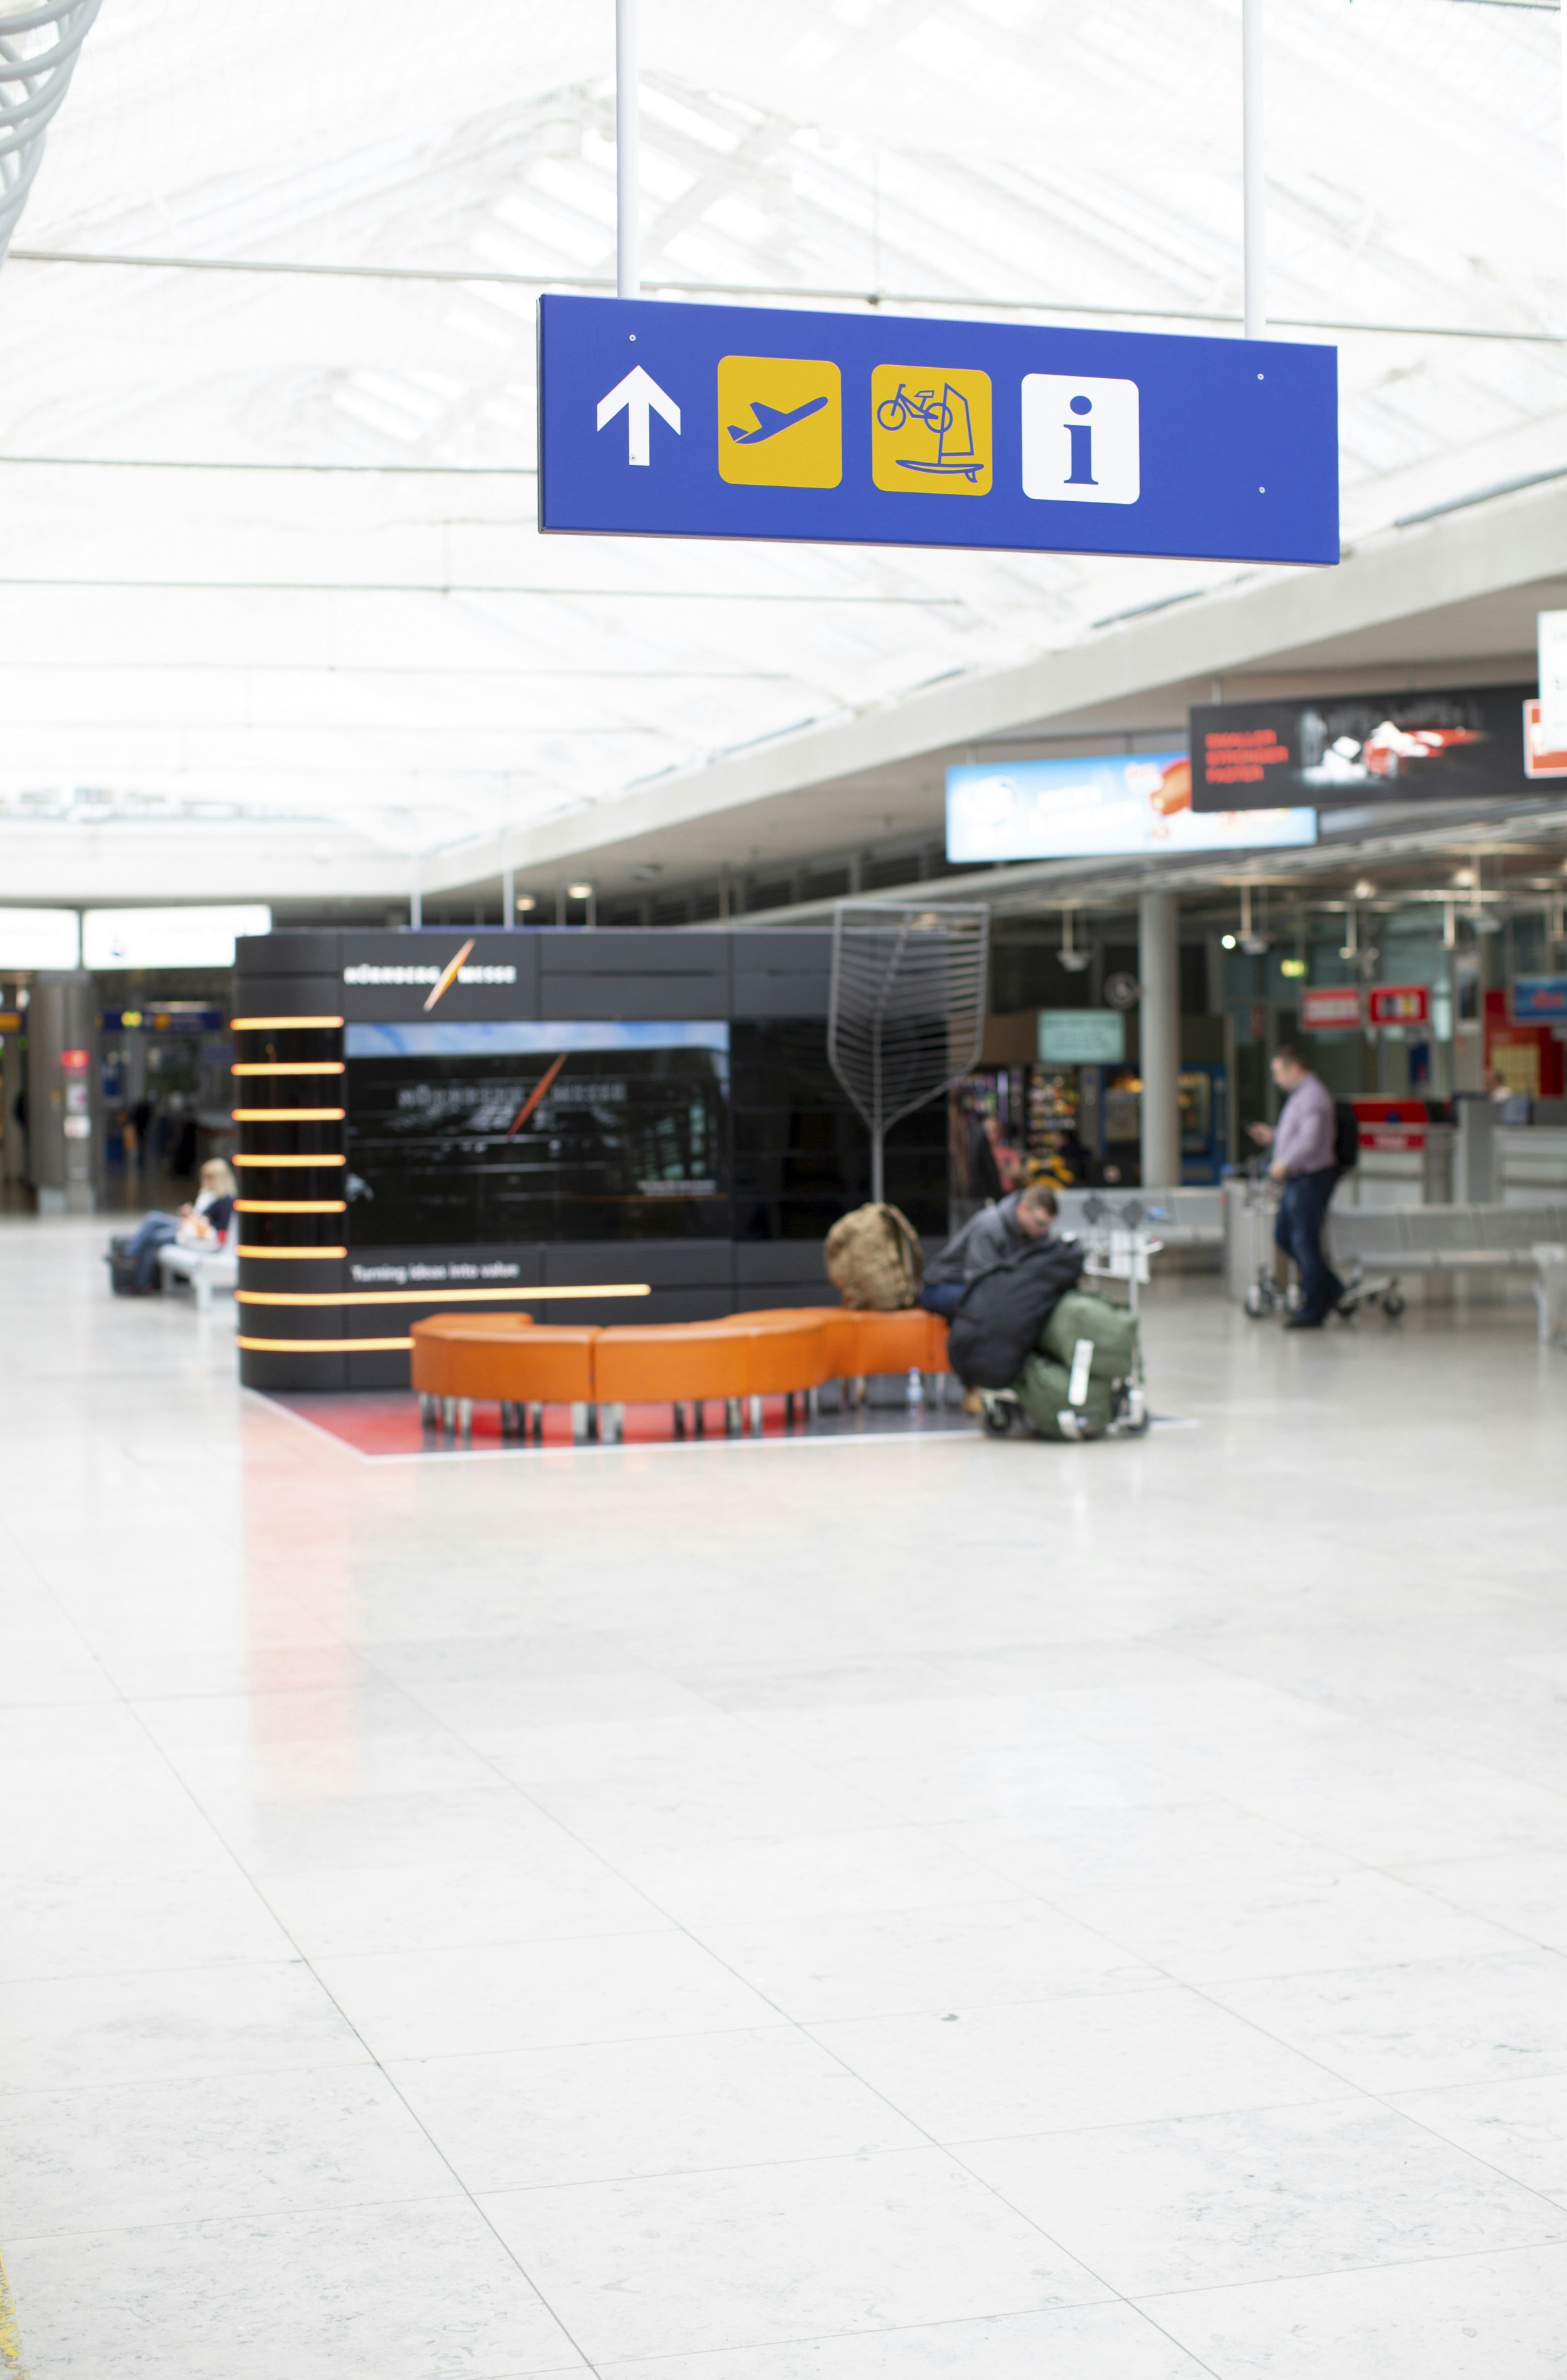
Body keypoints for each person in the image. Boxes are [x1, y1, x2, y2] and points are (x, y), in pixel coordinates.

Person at [1247, 1048, 1345, 1329]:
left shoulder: (1313, 1096)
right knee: (1284, 1237)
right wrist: (1275, 1136)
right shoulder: (1301, 1097)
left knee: (1304, 1242)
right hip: (1299, 1179)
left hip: (1311, 1179)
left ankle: (1315, 1308)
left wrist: (1284, 1162)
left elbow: (1311, 1141)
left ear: (1294, 1068)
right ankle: (1333, 1289)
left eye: (1278, 1072)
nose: (1277, 1080)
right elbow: (1298, 1134)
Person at [919, 1180, 1062, 1318]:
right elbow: (981, 1280)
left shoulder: (1036, 1233)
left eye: (1047, 1225)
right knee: (995, 1305)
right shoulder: (990, 1226)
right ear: (1023, 1208)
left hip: (980, 1285)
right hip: (944, 1285)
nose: (1044, 1230)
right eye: (1040, 1223)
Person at [112, 1157, 236, 1293]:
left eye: (209, 1178)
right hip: (191, 1229)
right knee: (153, 1219)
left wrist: (195, 1218)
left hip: (202, 1239)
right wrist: (192, 1215)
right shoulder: (208, 1195)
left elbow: (217, 1229)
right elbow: (202, 1217)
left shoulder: (225, 1200)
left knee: (154, 1238)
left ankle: (137, 1274)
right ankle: (130, 1255)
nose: (206, 1181)